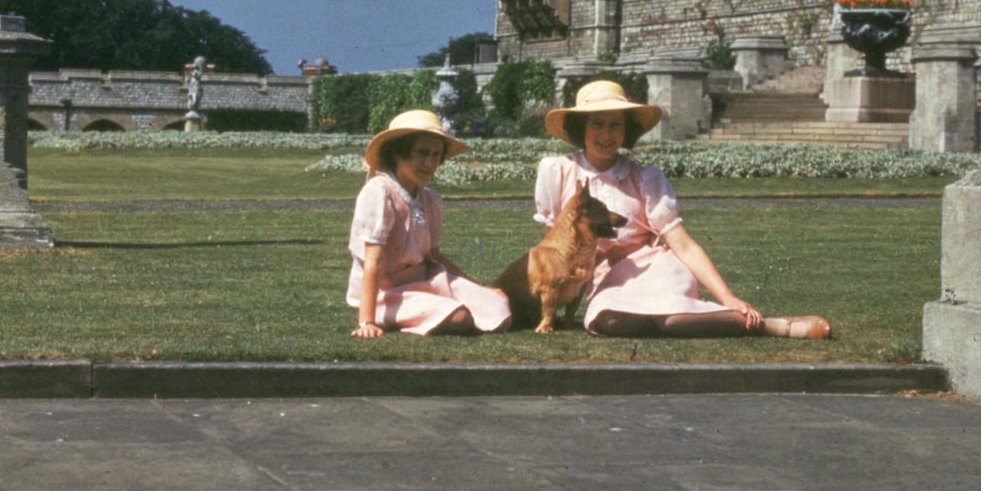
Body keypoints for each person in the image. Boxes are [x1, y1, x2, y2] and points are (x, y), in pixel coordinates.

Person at [534, 80, 831, 338]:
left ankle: (769, 326)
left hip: (652, 267)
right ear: (580, 128)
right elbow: (554, 246)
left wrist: (727, 296)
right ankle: (688, 324)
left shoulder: (645, 177)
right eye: (597, 124)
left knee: (673, 317)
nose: (606, 135)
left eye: (616, 125)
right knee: (608, 320)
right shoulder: (557, 172)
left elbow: (683, 244)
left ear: (627, 130)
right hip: (603, 278)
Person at [349, 110, 511, 337]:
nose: (429, 163)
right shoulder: (379, 192)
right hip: (385, 291)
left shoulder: (431, 200)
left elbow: (434, 256)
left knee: (500, 305)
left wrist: (478, 288)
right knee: (459, 318)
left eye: (436, 155)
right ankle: (402, 315)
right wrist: (366, 321)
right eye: (422, 153)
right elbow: (372, 262)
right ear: (398, 152)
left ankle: (441, 309)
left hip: (425, 281)